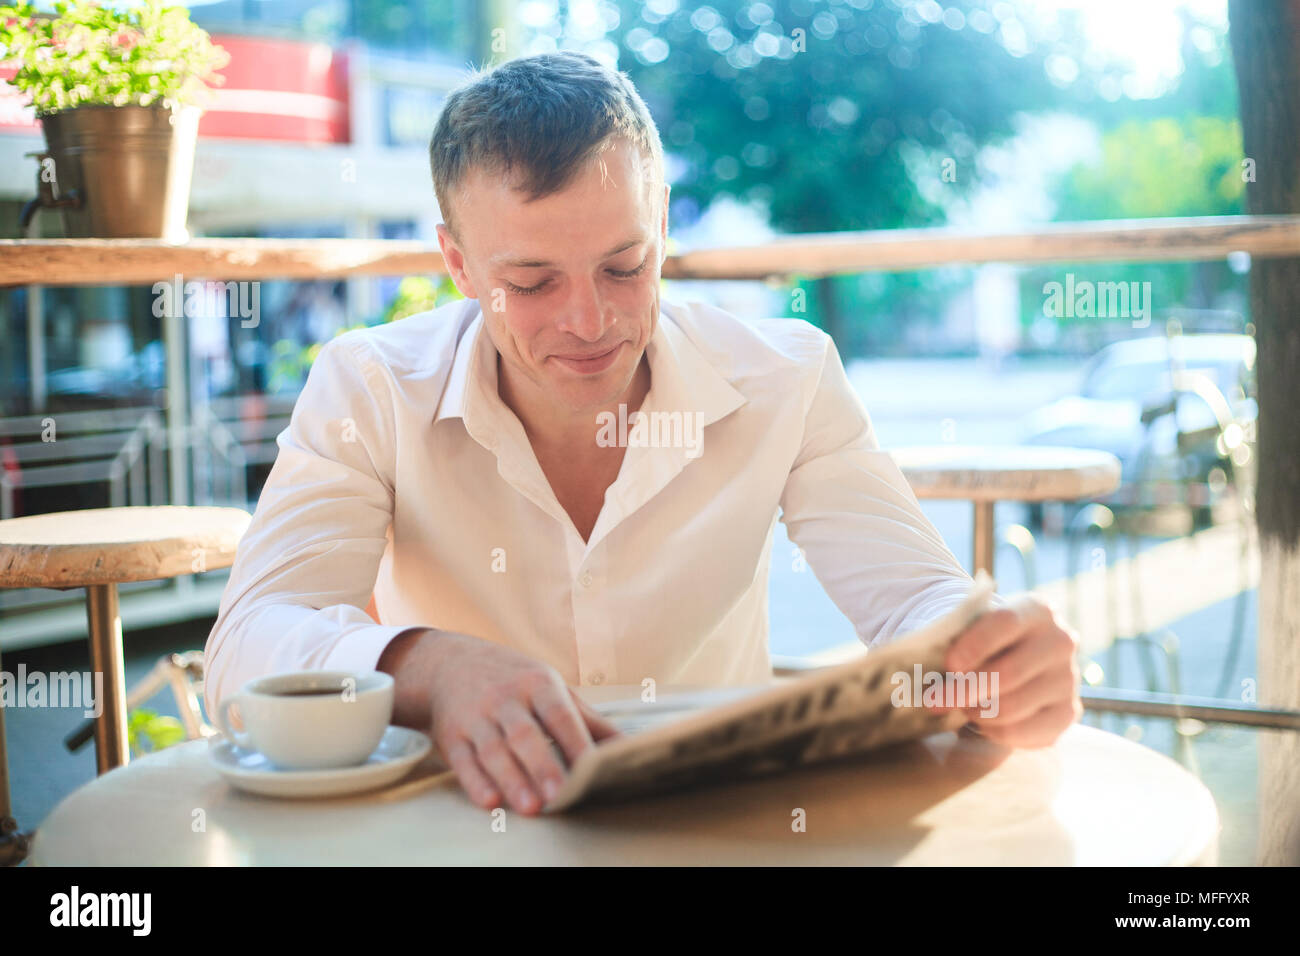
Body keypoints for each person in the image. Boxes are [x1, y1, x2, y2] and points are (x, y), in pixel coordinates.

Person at [204, 51, 1081, 817]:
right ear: (459, 264)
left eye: (624, 266)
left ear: (661, 227)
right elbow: (244, 652)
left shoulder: (786, 376)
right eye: (533, 281)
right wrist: (427, 668)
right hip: (471, 831)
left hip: (722, 831)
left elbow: (912, 603)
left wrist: (992, 660)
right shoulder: (369, 388)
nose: (589, 320)